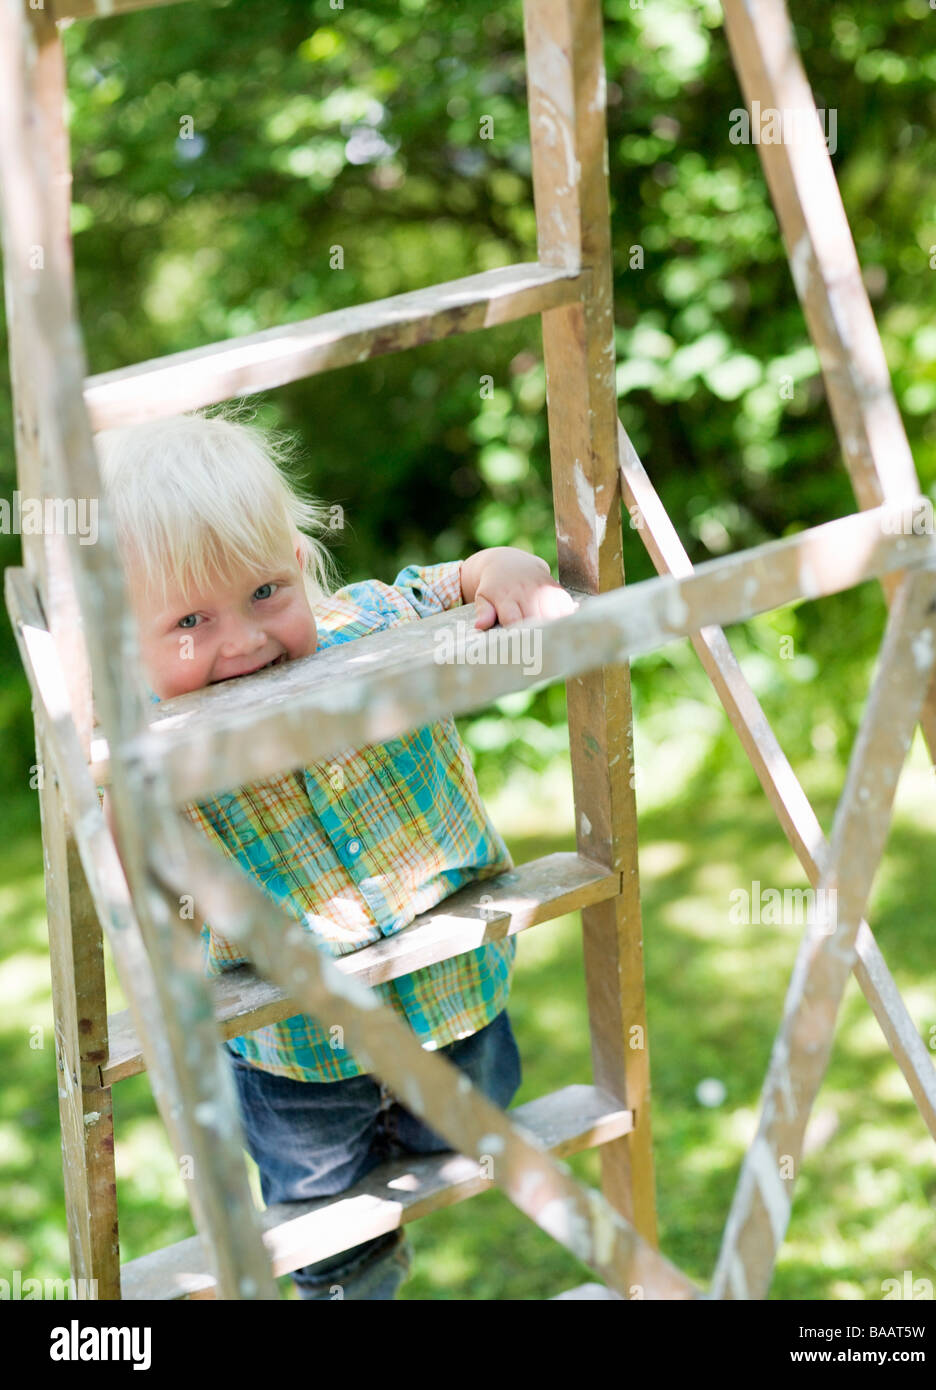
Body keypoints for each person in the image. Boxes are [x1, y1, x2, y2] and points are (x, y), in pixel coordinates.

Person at [95, 405, 576, 1299]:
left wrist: (504, 569)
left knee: (469, 1133)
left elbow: (453, 584)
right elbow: (122, 859)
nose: (242, 640)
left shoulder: (367, 630)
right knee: (326, 1234)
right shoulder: (149, 741)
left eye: (266, 593)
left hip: (455, 995)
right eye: (191, 620)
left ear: (302, 566)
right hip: (296, 1056)